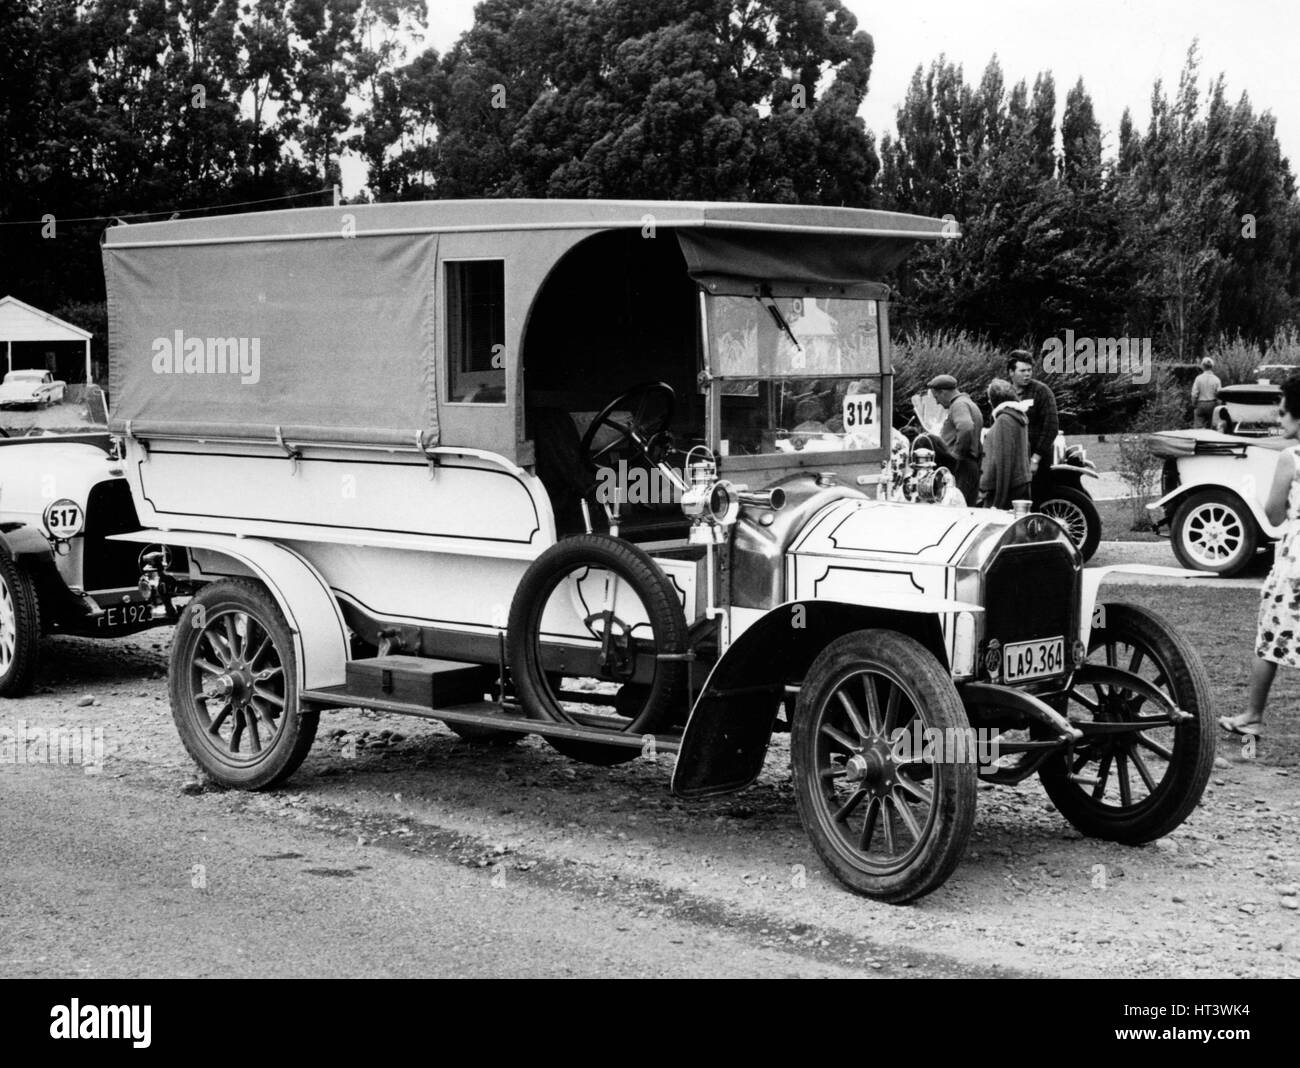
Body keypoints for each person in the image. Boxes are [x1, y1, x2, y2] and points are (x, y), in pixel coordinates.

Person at [1221, 375, 1300, 739]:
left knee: (1272, 635)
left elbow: (1273, 515)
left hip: (1295, 561)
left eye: (1283, 410)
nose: (1279, 416)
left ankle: (1253, 715)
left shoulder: (1291, 458)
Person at [923, 373, 983, 504]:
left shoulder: (958, 405)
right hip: (969, 465)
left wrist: (956, 456)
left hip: (963, 466)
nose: (937, 402)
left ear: (943, 392)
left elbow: (966, 427)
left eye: (937, 396)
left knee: (956, 507)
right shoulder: (968, 403)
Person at [1007, 350, 1058, 495]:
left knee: (1037, 499)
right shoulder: (1005, 392)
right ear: (1011, 372)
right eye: (1022, 370)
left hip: (1036, 459)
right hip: (1013, 458)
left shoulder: (1042, 391)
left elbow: (1051, 427)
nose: (1027, 374)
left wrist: (1035, 459)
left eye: (1029, 370)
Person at [978, 379, 1031, 509]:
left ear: (995, 400)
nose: (989, 402)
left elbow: (1004, 461)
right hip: (1019, 483)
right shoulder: (1017, 416)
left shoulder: (1004, 420)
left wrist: (998, 502)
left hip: (1006, 488)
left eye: (990, 399)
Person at [1190, 357, 1222, 429]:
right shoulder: (1216, 379)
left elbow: (1194, 394)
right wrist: (1217, 405)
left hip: (1201, 404)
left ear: (1203, 366)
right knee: (1212, 426)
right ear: (1212, 367)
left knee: (1198, 427)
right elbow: (1219, 395)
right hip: (1212, 404)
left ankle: (1198, 438)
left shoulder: (1198, 378)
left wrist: (1194, 403)